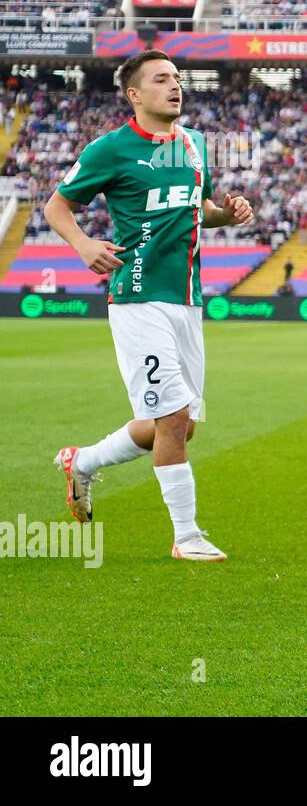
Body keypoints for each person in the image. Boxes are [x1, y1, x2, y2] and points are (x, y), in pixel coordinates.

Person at [45, 49, 254, 562]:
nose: (174, 86)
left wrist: (226, 214)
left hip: (187, 299)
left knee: (180, 427)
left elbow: (193, 211)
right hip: (138, 298)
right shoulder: (111, 149)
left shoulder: (195, 145)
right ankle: (186, 536)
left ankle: (83, 462)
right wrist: (84, 245)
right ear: (135, 95)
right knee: (174, 415)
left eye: (178, 78)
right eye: (161, 80)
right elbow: (57, 205)